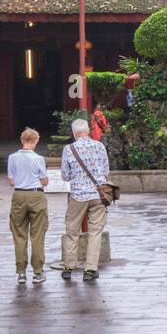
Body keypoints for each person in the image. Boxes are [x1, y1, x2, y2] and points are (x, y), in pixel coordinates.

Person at [61, 117, 110, 282]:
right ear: (88, 132)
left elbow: (65, 176)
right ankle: (90, 269)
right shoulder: (99, 146)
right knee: (95, 232)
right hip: (98, 194)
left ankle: (68, 267)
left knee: (72, 231)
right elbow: (105, 171)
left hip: (78, 196)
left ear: (74, 133)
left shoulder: (69, 149)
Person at [7, 128, 49, 285]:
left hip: (18, 195)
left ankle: (21, 273)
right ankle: (38, 272)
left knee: (19, 235)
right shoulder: (39, 158)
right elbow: (44, 181)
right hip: (36, 195)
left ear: (21, 139)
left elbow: (11, 181)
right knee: (37, 235)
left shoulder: (12, 158)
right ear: (36, 140)